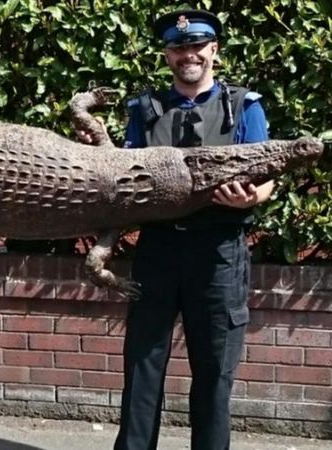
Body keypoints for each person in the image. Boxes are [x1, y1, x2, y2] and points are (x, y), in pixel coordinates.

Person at [113, 9, 271, 450]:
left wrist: (253, 198)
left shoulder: (245, 106)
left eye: (197, 46)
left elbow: (268, 170)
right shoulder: (144, 110)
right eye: (179, 48)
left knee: (214, 372)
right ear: (168, 56)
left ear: (214, 50)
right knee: (143, 366)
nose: (189, 55)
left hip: (218, 251)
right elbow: (124, 172)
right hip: (158, 249)